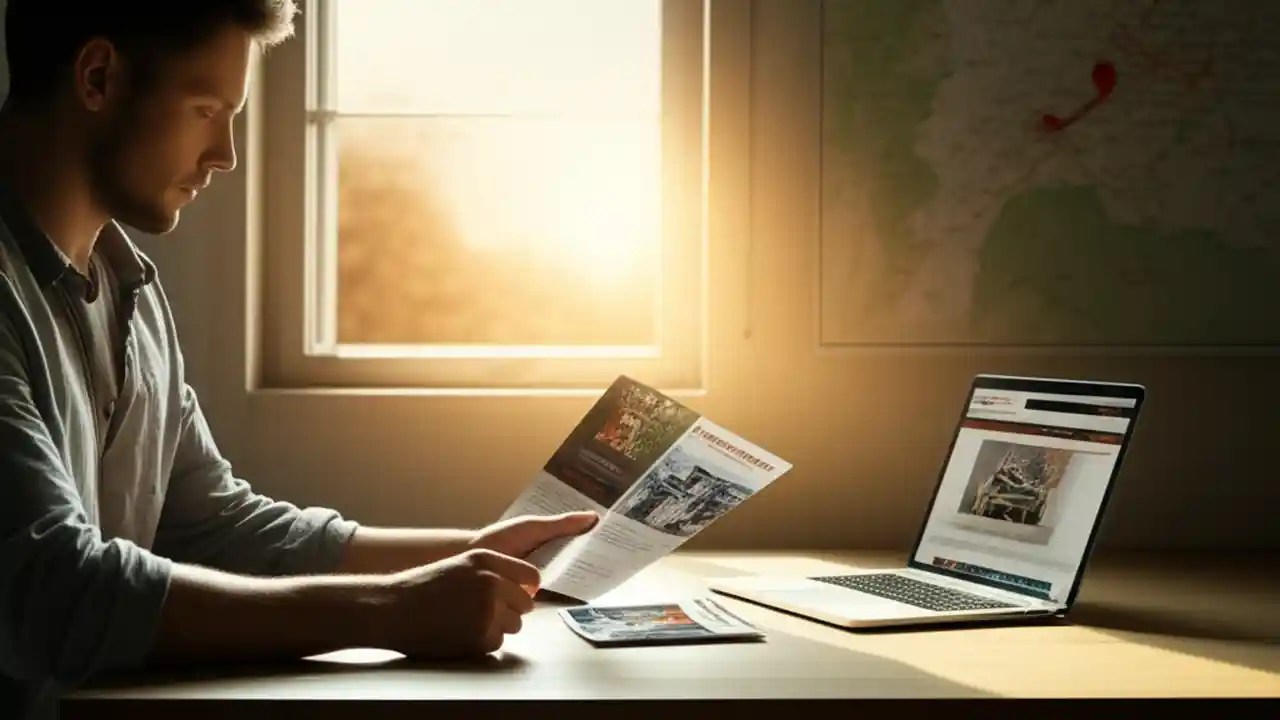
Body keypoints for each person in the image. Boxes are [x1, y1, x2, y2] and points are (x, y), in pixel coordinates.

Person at [0, 2, 598, 717]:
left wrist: (466, 552)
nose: (225, 153)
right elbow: (58, 592)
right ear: (97, 78)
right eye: (204, 109)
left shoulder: (134, 295)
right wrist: (389, 609)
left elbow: (212, 524)